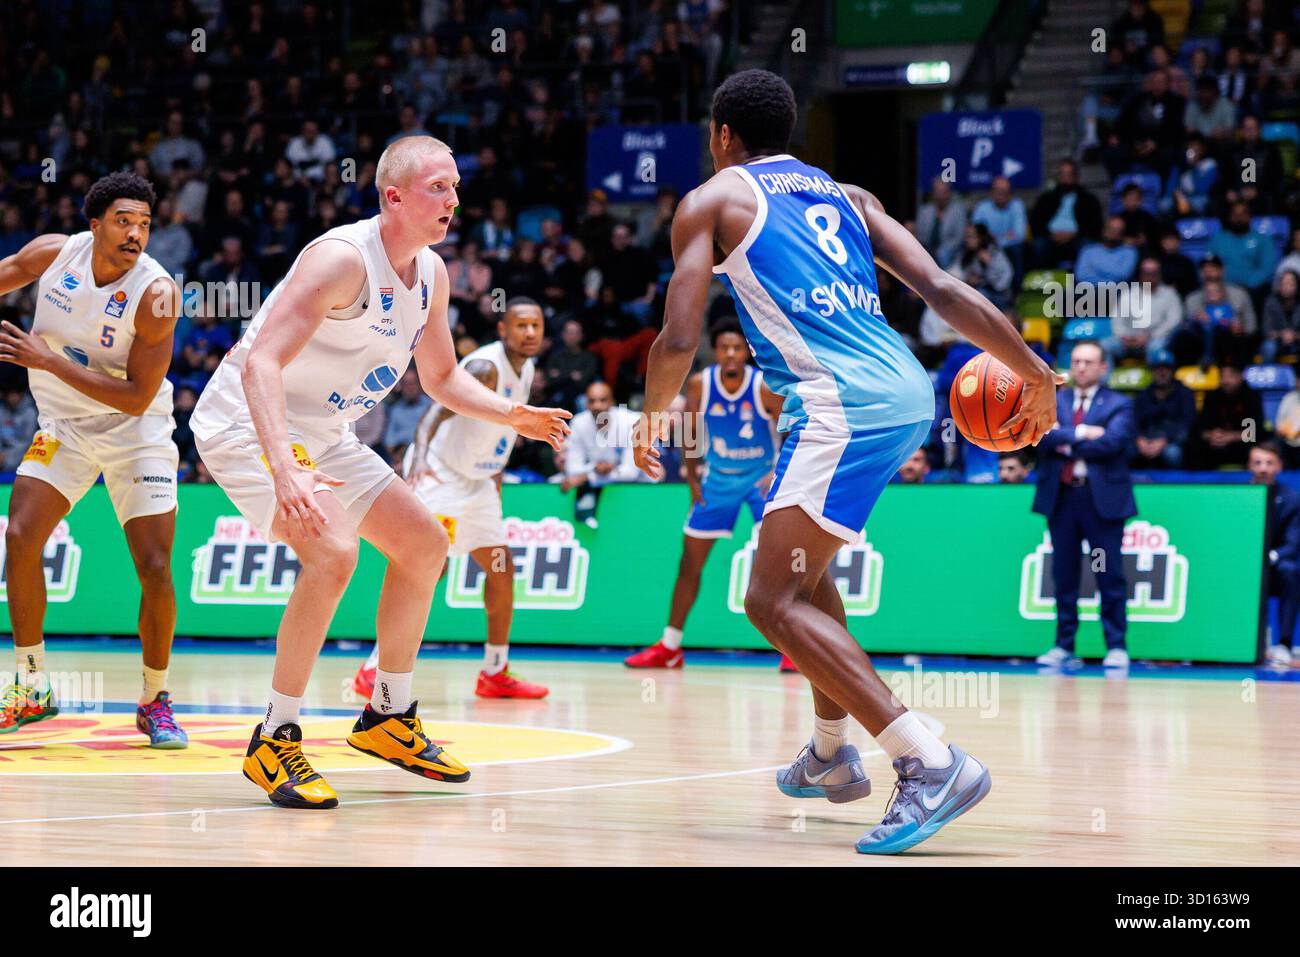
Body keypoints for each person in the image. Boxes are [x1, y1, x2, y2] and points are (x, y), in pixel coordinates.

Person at [632, 70, 1062, 855]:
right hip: (904, 389)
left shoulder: (711, 200)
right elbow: (938, 285)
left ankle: (928, 759)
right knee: (803, 567)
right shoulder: (850, 195)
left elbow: (678, 337)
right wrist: (1032, 367)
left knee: (767, 601)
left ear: (722, 135)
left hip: (840, 403)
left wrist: (654, 415)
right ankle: (832, 752)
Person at [188, 137, 570, 809]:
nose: (454, 199)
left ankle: (389, 716)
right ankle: (274, 737)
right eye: (438, 188)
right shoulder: (340, 259)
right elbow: (260, 364)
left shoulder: (432, 275)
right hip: (249, 424)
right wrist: (285, 468)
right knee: (332, 554)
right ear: (393, 196)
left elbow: (443, 377)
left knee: (424, 544)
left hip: (323, 433)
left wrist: (516, 413)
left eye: (456, 187)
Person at [0, 172, 189, 745]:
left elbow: (136, 396)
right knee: (20, 536)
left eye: (145, 225)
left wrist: (49, 361)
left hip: (138, 432)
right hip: (64, 429)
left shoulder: (158, 297)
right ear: (95, 225)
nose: (136, 234)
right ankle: (31, 687)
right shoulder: (55, 254)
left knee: (154, 566)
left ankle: (154, 698)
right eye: (124, 221)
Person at [353, 298, 552, 700]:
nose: (530, 333)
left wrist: (493, 468)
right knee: (427, 568)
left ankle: (495, 672)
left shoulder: (526, 367)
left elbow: (497, 425)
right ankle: (373, 667)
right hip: (439, 475)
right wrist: (419, 459)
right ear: (503, 330)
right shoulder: (485, 367)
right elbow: (433, 414)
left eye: (536, 326)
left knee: (500, 570)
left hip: (477, 483)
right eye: (521, 326)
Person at [624, 317, 785, 670]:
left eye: (737, 348)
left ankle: (792, 651)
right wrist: (693, 478)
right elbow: (691, 429)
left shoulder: (763, 386)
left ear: (747, 351)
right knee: (689, 563)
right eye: (724, 347)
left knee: (782, 568)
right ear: (716, 350)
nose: (730, 354)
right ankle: (670, 647)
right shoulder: (700, 383)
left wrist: (778, 471)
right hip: (719, 480)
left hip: (761, 481)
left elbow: (791, 426)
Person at [1032, 341, 1137, 670]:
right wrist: (1081, 432)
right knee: (1063, 575)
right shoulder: (1055, 398)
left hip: (1101, 501)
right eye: (1076, 361)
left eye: (1088, 362)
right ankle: (1064, 645)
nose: (1080, 367)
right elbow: (1041, 436)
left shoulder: (1120, 403)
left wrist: (1065, 440)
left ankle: (1116, 646)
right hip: (1062, 498)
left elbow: (1112, 443)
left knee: (1109, 574)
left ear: (1103, 367)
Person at [1251, 441, 1300, 665]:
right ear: (1249, 466)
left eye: (1269, 463)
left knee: (1290, 570)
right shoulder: (1236, 497)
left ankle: (1284, 643)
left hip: (1274, 567)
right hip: (1243, 567)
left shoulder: (1291, 499)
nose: (1263, 468)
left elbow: (1293, 544)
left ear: (1279, 466)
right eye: (1258, 462)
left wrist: (1268, 557)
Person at [1132, 349, 1196, 469]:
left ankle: (1177, 485)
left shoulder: (1185, 394)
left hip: (1172, 440)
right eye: (1157, 368)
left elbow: (1187, 424)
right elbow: (1133, 422)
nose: (1161, 373)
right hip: (1146, 439)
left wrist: (1164, 440)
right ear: (1152, 371)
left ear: (1173, 371)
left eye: (1166, 368)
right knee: (1126, 450)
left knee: (1173, 453)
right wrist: (1139, 439)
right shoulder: (1143, 395)